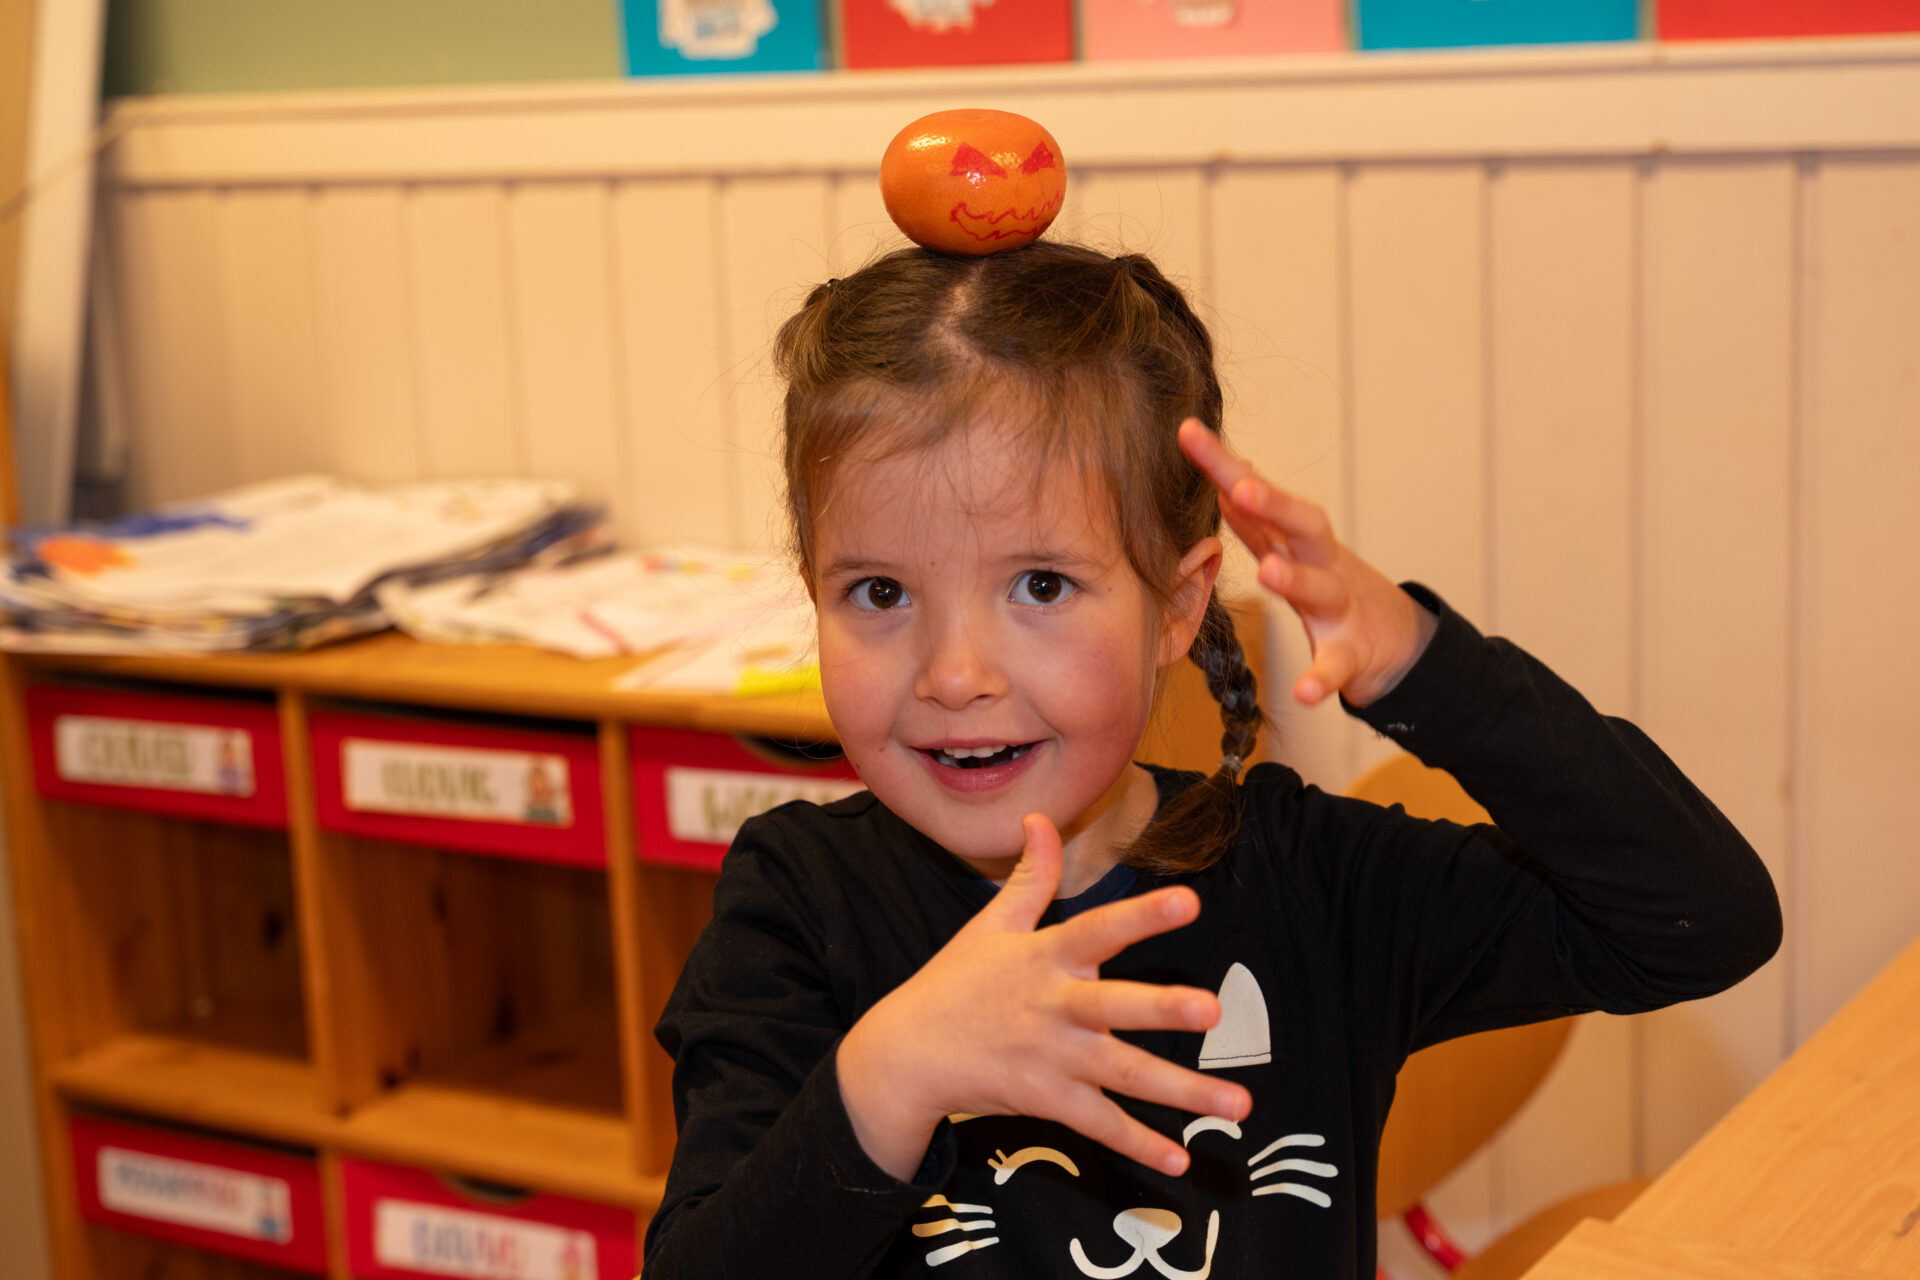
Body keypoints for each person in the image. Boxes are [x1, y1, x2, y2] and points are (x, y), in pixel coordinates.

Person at [643, 241, 1781, 1278]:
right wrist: (889, 1077)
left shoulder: (1305, 881)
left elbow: (1701, 919)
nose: (954, 673)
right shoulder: (796, 904)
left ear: (1180, 606)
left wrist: (1422, 666)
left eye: (1040, 584)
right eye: (880, 592)